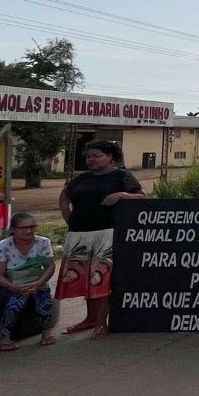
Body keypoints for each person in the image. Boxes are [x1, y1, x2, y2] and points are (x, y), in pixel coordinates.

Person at [58, 140, 145, 341]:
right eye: (88, 156)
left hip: (106, 234)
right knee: (83, 278)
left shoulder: (122, 176)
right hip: (79, 235)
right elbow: (65, 195)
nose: (91, 160)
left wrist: (121, 196)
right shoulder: (81, 179)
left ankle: (100, 322)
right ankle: (89, 318)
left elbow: (142, 197)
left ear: (110, 157)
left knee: (100, 279)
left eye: (96, 156)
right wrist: (68, 217)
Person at [0, 211, 57, 351]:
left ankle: (46, 331)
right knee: (15, 303)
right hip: (11, 283)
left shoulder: (43, 242)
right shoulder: (2, 246)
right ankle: (3, 337)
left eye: (32, 226)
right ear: (13, 229)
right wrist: (14, 287)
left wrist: (39, 283)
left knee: (44, 299)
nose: (29, 230)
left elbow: (49, 266)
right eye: (24, 228)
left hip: (36, 281)